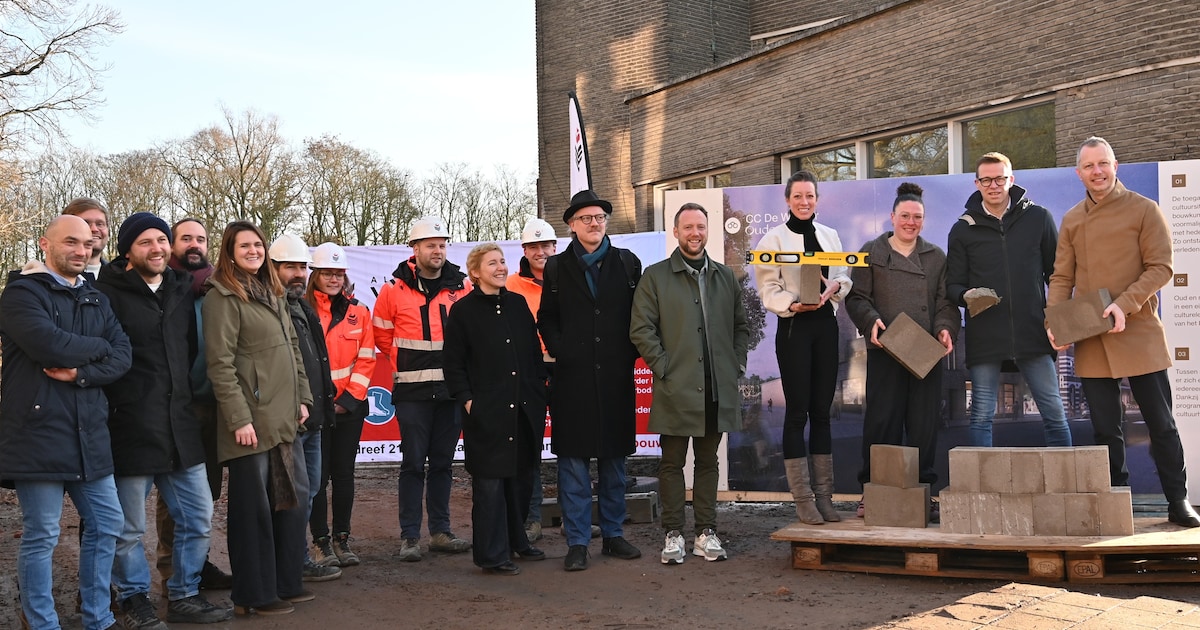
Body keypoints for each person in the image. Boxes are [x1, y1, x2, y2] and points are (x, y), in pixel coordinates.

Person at [1047, 136, 1200, 528]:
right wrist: (1056, 323)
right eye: (1089, 166)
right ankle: (1116, 501)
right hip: (1092, 335)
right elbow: (1062, 276)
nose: (1097, 171)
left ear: (1116, 166)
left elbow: (1161, 267)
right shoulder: (1072, 219)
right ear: (1078, 173)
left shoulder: (1145, 210)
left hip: (1139, 329)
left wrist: (1124, 304)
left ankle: (1178, 499)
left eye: (1103, 163)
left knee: (1160, 422)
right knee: (1104, 429)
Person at [95, 213, 232, 626]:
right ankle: (135, 598)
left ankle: (184, 593)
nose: (156, 248)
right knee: (129, 529)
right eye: (145, 243)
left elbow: (192, 349)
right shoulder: (107, 294)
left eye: (160, 240)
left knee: (197, 516)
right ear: (128, 252)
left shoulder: (180, 289)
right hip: (130, 428)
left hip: (180, 425)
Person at [0, 215, 132, 630]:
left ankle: (99, 618)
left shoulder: (95, 296)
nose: (81, 250)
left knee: (108, 523)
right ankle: (42, 624)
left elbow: (123, 355)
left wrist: (82, 371)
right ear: (45, 244)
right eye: (70, 242)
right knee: (41, 534)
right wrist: (100, 348)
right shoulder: (21, 294)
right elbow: (48, 344)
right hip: (37, 432)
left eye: (87, 244)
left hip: (89, 430)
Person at [204, 221, 315, 615]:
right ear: (229, 252)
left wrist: (303, 397)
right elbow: (219, 364)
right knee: (253, 512)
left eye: (257, 244)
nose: (253, 250)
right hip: (250, 423)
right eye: (244, 245)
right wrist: (238, 419)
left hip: (285, 418)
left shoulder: (274, 292)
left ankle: (286, 582)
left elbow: (294, 352)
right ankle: (254, 594)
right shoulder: (222, 296)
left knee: (292, 502)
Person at [630, 202, 748, 564]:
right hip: (675, 389)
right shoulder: (656, 276)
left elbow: (740, 327)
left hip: (716, 390)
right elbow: (641, 328)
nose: (695, 233)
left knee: (708, 462)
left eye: (700, 226)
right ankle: (673, 534)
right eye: (688, 227)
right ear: (676, 233)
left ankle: (706, 532)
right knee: (671, 463)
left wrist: (735, 365)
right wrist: (665, 368)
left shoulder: (726, 276)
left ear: (707, 230)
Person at [538, 189, 643, 571]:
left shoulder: (628, 263)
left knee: (615, 462)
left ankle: (614, 536)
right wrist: (562, 349)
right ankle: (578, 541)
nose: (594, 223)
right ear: (571, 225)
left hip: (615, 377)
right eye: (586, 218)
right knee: (574, 464)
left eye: (599, 217)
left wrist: (627, 353)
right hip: (572, 379)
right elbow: (547, 317)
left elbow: (640, 316)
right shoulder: (555, 267)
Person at [845, 184, 958, 520]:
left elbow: (946, 302)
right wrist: (872, 321)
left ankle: (924, 493)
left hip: (925, 350)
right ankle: (872, 491)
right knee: (883, 423)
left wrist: (945, 327)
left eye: (917, 217)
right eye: (905, 216)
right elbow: (857, 298)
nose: (911, 222)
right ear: (892, 217)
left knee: (924, 424)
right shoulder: (872, 252)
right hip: (886, 348)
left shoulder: (936, 256)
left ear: (924, 220)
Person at [946, 152, 1072, 448]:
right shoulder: (962, 229)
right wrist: (966, 295)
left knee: (1055, 414)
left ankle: (1067, 489)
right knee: (980, 417)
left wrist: (1060, 323)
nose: (994, 185)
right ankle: (982, 492)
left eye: (1000, 178)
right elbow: (952, 286)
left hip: (1033, 333)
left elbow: (1058, 276)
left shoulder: (1039, 218)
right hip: (985, 335)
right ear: (977, 183)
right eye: (987, 179)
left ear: (1011, 180)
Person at [372, 216, 472, 561]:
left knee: (443, 464)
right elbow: (383, 338)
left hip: (450, 393)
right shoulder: (391, 291)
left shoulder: (462, 287)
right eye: (430, 244)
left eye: (442, 244)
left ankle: (441, 533)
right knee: (413, 464)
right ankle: (410, 537)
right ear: (414, 249)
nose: (438, 250)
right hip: (412, 393)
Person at [444, 243, 549, 575]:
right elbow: (454, 363)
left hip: (523, 408)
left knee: (521, 480)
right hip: (487, 411)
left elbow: (533, 354)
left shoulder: (518, 304)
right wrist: (468, 399)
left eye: (502, 261)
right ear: (475, 272)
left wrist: (537, 392)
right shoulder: (463, 311)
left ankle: (517, 541)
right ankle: (491, 554)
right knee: (490, 484)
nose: (501, 267)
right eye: (492, 263)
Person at [754, 170, 852, 524]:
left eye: (810, 196)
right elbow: (768, 290)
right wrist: (793, 304)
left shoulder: (830, 235)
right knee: (797, 413)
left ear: (816, 199)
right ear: (788, 200)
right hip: (794, 327)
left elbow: (844, 277)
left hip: (826, 326)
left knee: (822, 412)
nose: (805, 201)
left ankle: (825, 497)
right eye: (798, 196)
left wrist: (835, 289)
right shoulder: (774, 240)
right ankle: (803, 499)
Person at [153, 217, 233, 593]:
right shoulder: (162, 287)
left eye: (201, 238)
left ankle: (197, 564)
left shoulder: (215, 287)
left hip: (214, 404)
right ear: (171, 245)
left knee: (207, 493)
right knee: (176, 497)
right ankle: (172, 571)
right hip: (176, 407)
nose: (194, 244)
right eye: (186, 238)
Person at [269, 234, 343, 583]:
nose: (297, 274)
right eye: (289, 267)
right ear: (274, 269)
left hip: (312, 418)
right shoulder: (273, 307)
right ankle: (289, 563)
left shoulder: (302, 307)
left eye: (301, 266)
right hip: (288, 421)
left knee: (310, 490)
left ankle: (298, 559)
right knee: (293, 495)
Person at [306, 242, 376, 568]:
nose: (333, 279)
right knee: (317, 479)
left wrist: (348, 401)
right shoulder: (303, 310)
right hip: (315, 409)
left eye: (338, 273)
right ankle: (320, 543)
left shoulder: (358, 311)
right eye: (327, 273)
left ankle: (342, 540)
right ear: (315, 275)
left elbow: (366, 358)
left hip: (350, 407)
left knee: (344, 475)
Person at [505, 217, 558, 543]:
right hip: (528, 372)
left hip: (566, 368)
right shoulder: (510, 284)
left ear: (555, 247)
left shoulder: (571, 278)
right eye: (533, 246)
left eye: (545, 246)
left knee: (573, 447)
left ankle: (572, 518)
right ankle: (532, 519)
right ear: (524, 249)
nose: (540, 252)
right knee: (530, 447)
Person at [62, 197, 111, 278]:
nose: (94, 229)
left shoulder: (121, 279)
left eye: (100, 224)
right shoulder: (49, 279)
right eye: (85, 223)